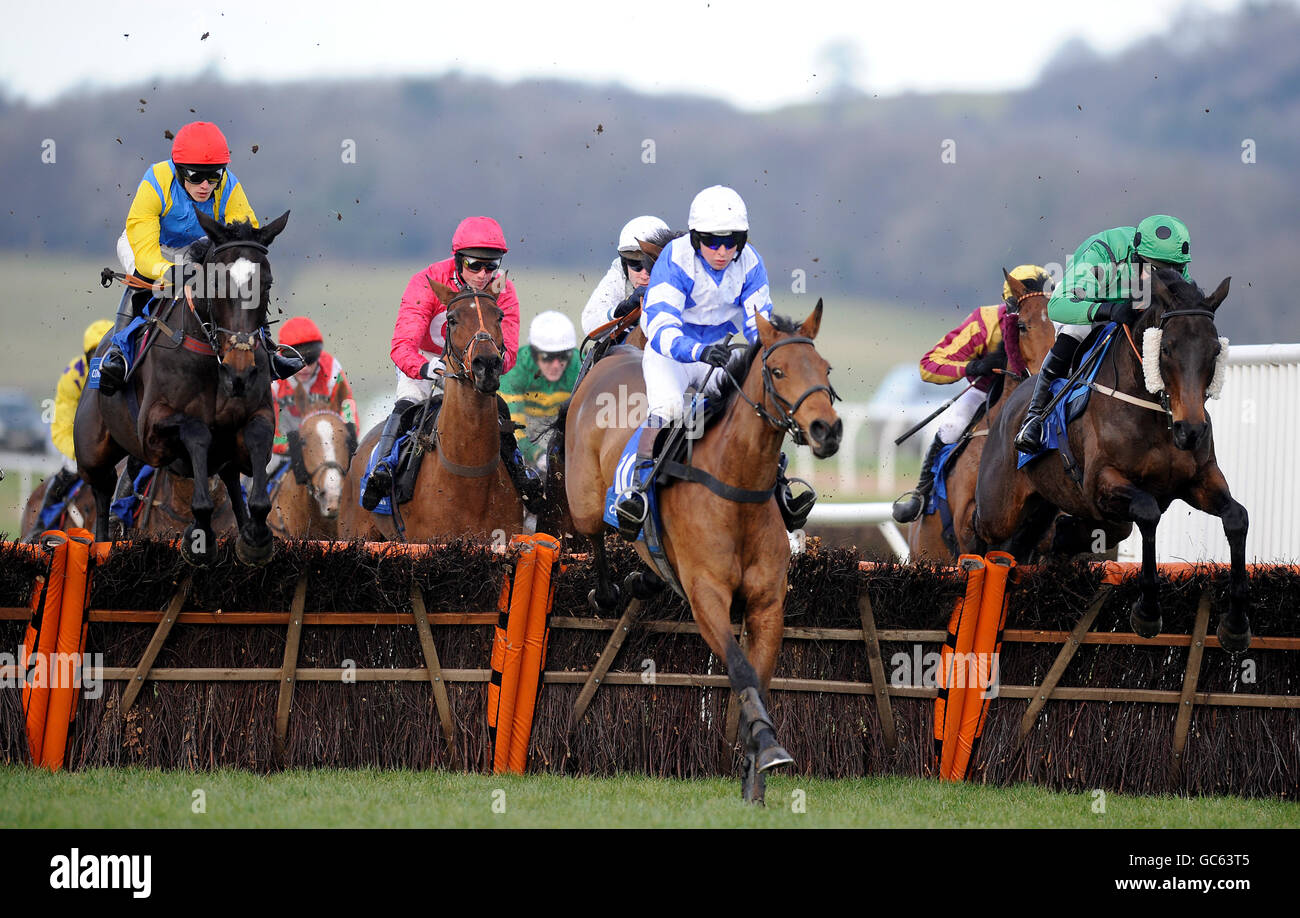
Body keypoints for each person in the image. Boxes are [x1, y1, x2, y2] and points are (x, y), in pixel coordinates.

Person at [612, 185, 777, 536]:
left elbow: (757, 321)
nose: (722, 251)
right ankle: (634, 490)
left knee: (751, 405)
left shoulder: (750, 264)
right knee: (670, 407)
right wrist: (699, 352)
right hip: (670, 354)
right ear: (696, 238)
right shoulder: (675, 259)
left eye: (731, 241)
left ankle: (779, 483)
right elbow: (659, 324)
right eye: (713, 242)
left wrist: (767, 346)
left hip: (716, 354)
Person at [96, 120, 302, 396]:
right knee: (150, 280)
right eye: (195, 176)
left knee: (242, 277)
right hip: (148, 247)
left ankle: (268, 347)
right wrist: (172, 273)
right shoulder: (156, 182)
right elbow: (146, 256)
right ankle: (117, 353)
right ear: (179, 171)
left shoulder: (229, 186)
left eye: (213, 176)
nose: (205, 185)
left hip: (196, 249)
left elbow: (246, 239)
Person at [361, 216, 543, 512]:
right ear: (458, 261)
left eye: (491, 265)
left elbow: (507, 350)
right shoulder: (427, 281)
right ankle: (383, 468)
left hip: (474, 366)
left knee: (499, 410)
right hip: (424, 363)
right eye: (475, 265)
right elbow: (402, 345)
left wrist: (493, 365)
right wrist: (424, 367)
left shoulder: (503, 290)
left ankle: (520, 474)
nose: (484, 274)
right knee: (409, 403)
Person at [1014, 215, 1192, 453]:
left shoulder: (1175, 262)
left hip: (1136, 307)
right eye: (1153, 270)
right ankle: (1034, 418)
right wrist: (1107, 310)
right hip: (1086, 303)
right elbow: (1058, 305)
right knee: (1075, 333)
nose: (1163, 279)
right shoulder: (1103, 252)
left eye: (1174, 272)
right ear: (1137, 256)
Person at [891, 265, 1053, 523]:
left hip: (1043, 391)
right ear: (1010, 303)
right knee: (952, 427)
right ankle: (921, 494)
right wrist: (971, 367)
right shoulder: (985, 321)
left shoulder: (1055, 319)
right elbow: (928, 365)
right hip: (985, 391)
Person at [37, 319, 114, 523]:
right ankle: (41, 525)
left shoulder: (127, 369)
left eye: (108, 351)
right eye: (96, 353)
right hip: (82, 443)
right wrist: (81, 453)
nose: (102, 360)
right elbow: (63, 423)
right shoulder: (74, 375)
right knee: (70, 468)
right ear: (87, 356)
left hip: (117, 442)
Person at [270, 317, 360, 475]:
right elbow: (269, 428)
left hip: (325, 445)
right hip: (286, 446)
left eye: (310, 360)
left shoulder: (332, 369)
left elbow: (349, 416)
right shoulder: (274, 378)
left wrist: (344, 441)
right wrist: (296, 446)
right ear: (283, 357)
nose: (304, 368)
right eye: (295, 361)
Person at [500, 311, 580, 470]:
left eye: (563, 356)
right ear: (534, 353)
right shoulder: (515, 369)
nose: (556, 365)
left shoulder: (577, 366)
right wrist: (536, 455)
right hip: (525, 428)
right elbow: (512, 427)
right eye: (547, 357)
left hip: (560, 427)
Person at [581, 215, 670, 337]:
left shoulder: (681, 272)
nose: (644, 275)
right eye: (635, 264)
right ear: (624, 263)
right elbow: (589, 327)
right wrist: (621, 310)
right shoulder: (618, 274)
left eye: (652, 266)